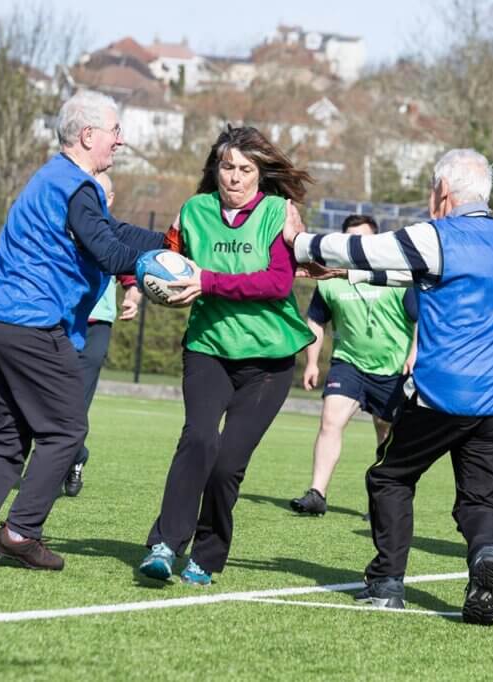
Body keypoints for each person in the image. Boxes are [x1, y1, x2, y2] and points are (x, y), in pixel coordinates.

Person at [0, 91, 165, 571]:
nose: (121, 140)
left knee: (6, 438)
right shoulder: (77, 187)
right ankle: (19, 533)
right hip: (28, 324)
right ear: (88, 134)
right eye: (115, 131)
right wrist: (162, 265)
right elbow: (112, 253)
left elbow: (111, 233)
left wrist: (175, 238)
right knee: (67, 429)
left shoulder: (54, 179)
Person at [289, 149, 493, 626]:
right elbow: (413, 272)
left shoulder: (439, 234)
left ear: (442, 193)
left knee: (390, 477)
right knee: (480, 499)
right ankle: (486, 555)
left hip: (447, 392)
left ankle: (386, 582)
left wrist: (300, 243)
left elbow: (369, 250)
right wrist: (342, 274)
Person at [138, 125, 315, 586]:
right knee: (198, 439)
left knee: (226, 464)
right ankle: (163, 544)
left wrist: (208, 282)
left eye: (245, 169)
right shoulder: (194, 211)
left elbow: (277, 283)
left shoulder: (279, 212)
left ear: (260, 174)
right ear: (215, 169)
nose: (234, 177)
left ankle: (208, 553)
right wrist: (147, 288)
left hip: (269, 362)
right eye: (226, 167)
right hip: (208, 348)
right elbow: (163, 260)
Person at [290, 214, 418, 516]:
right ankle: (317, 493)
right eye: (350, 240)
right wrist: (312, 363)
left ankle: (384, 500)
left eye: (362, 239)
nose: (356, 245)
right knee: (330, 420)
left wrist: (415, 354)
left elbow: (423, 320)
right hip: (348, 364)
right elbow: (316, 322)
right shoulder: (332, 280)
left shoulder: (397, 277)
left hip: (392, 369)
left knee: (386, 434)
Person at [64, 172, 143, 497]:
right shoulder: (69, 227)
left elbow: (130, 270)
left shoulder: (111, 234)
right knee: (52, 397)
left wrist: (134, 296)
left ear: (109, 200)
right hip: (64, 323)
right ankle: (74, 454)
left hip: (98, 324)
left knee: (78, 400)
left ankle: (68, 460)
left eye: (102, 193)